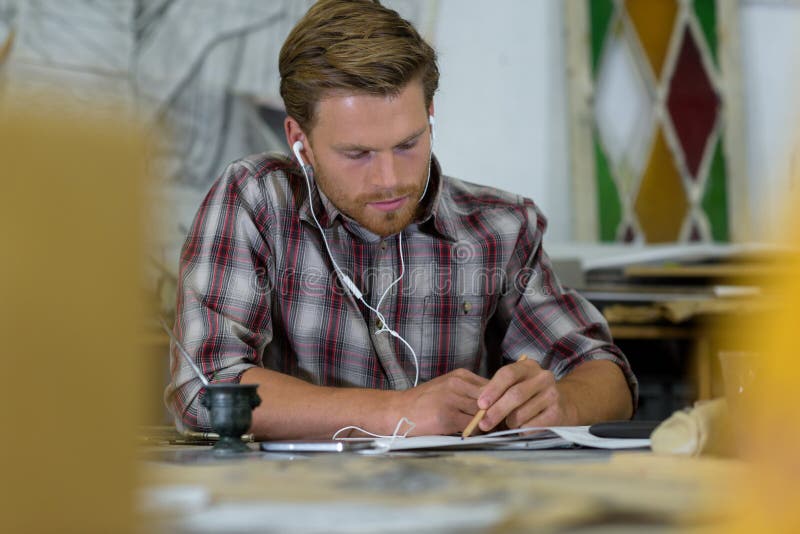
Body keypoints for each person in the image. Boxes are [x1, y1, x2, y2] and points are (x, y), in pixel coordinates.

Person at [166, 0, 637, 440]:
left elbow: (606, 375)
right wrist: (395, 413)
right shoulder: (256, 201)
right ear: (299, 140)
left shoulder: (503, 227)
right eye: (357, 154)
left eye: (408, 144)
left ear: (430, 116)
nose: (389, 180)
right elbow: (206, 387)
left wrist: (564, 404)